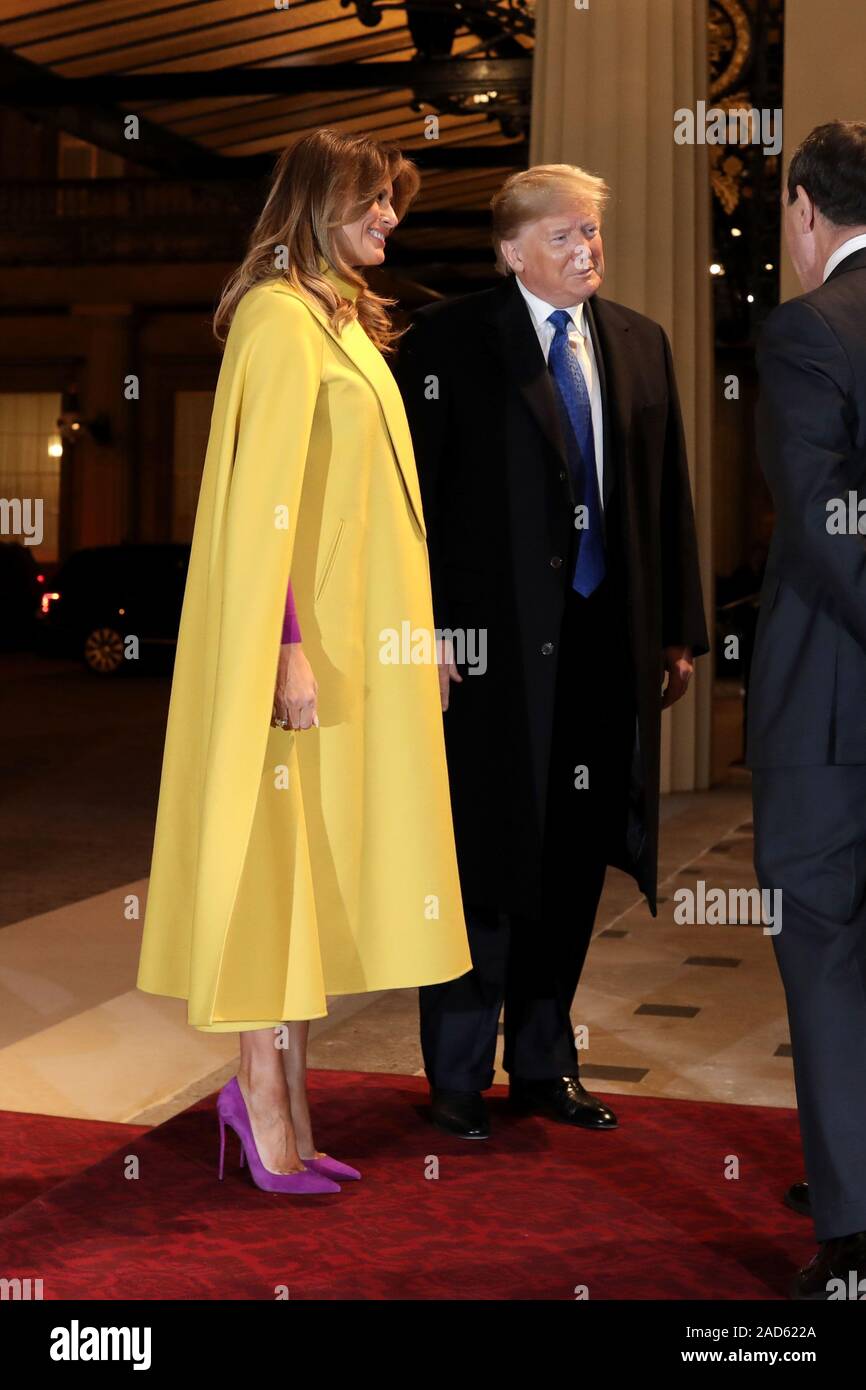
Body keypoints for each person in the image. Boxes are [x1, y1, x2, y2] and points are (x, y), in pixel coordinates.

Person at [137, 129, 471, 1194]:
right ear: (318, 205)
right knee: (271, 869)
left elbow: (384, 515)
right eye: (374, 201)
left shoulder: (342, 326)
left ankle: (287, 1098)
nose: (390, 220)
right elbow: (257, 501)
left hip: (356, 646)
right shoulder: (277, 323)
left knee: (311, 874)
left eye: (393, 203)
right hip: (303, 650)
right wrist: (282, 644)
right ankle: (259, 1097)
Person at [395, 163, 708, 1140]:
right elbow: (412, 505)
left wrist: (675, 629)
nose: (588, 252)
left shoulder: (638, 344)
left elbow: (665, 501)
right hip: (481, 660)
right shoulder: (446, 340)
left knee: (570, 863)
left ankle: (542, 1065)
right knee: (484, 863)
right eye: (567, 236)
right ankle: (454, 1079)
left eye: (593, 234)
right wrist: (426, 629)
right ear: (510, 251)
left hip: (599, 648)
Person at [748, 119, 866, 1299]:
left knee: (827, 953)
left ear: (801, 211)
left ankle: (854, 1238)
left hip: (831, 714)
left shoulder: (807, 328)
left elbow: (830, 525)